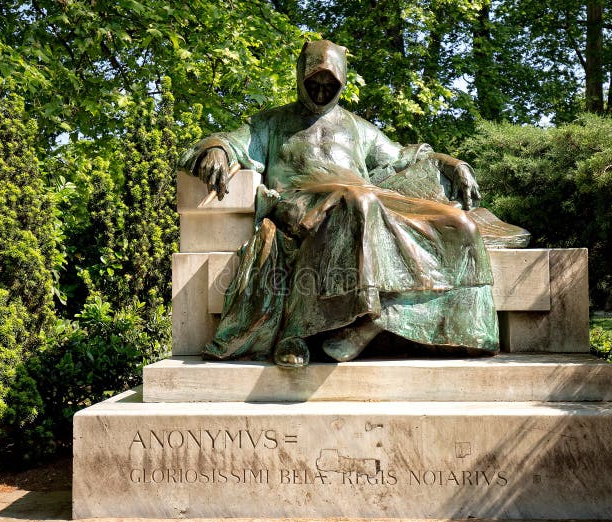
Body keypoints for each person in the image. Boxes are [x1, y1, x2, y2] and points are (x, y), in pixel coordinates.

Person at [180, 40, 499, 368]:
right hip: (303, 204)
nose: (320, 91)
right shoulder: (271, 123)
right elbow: (230, 141)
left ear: (342, 83)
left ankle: (452, 331)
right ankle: (322, 327)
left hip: (365, 203)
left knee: (459, 224)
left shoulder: (358, 128)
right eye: (313, 83)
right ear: (299, 78)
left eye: (329, 84)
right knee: (357, 200)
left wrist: (452, 164)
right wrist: (216, 150)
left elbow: (406, 157)